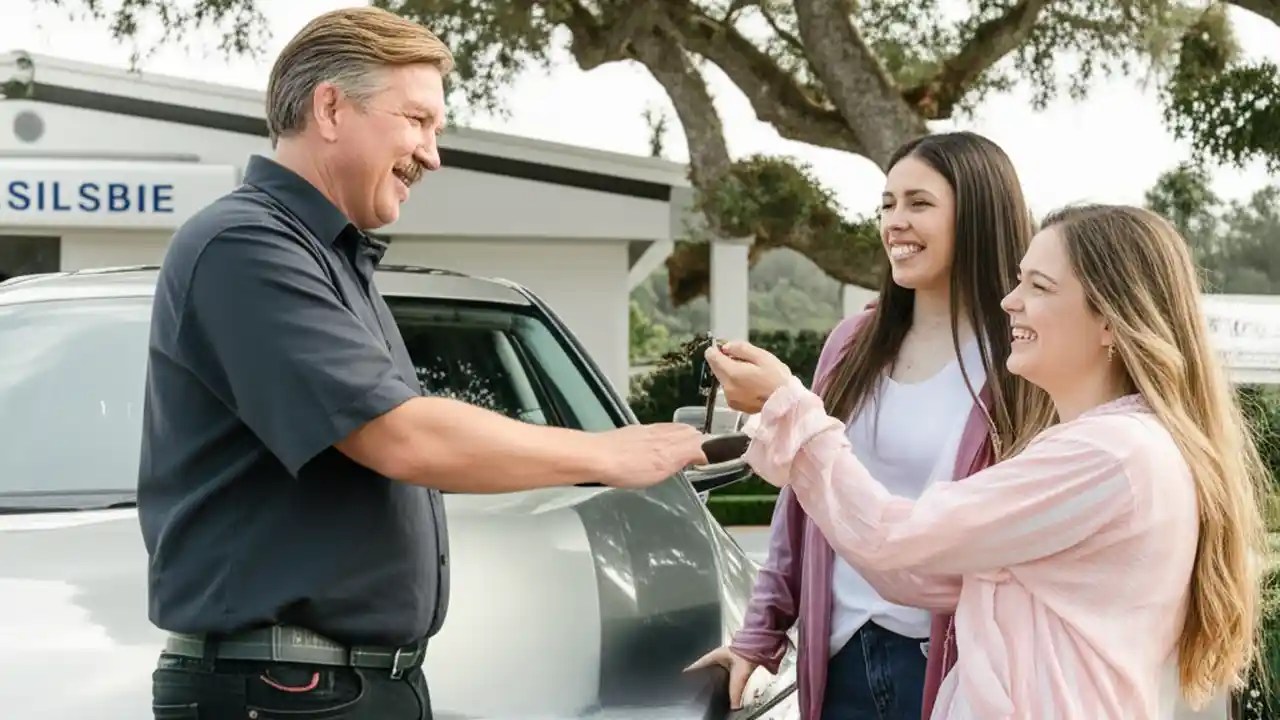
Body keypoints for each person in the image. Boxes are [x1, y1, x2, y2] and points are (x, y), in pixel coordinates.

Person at [137, 8, 706, 720]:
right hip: (284, 692)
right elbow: (400, 435)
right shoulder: (245, 246)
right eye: (417, 120)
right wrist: (606, 453)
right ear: (332, 108)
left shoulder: (329, 258)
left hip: (332, 688)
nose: (432, 154)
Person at [705, 203, 1267, 719]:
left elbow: (892, 539)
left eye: (1039, 286)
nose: (1010, 301)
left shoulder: (1108, 455)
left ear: (1110, 323)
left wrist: (790, 408)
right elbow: (919, 572)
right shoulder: (1120, 446)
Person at [687, 131, 1055, 720]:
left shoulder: (1022, 361)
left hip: (956, 665)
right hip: (841, 658)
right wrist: (758, 637)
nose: (895, 223)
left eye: (919, 203)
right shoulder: (852, 343)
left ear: (980, 214)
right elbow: (802, 500)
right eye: (887, 204)